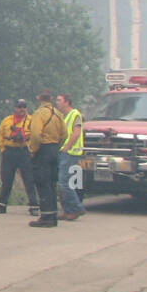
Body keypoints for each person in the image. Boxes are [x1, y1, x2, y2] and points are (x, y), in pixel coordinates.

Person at [0, 98, 40, 215]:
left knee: (29, 179)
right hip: (9, 152)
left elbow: (36, 136)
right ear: (15, 108)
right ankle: (1, 205)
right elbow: (0, 136)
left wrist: (32, 150)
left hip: (24, 152)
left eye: (24, 107)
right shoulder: (7, 121)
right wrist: (3, 149)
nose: (22, 109)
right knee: (6, 179)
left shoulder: (31, 120)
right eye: (19, 107)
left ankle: (34, 206)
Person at [27, 90, 66, 227]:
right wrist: (56, 145)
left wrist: (33, 150)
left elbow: (36, 135)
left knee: (42, 183)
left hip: (43, 150)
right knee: (51, 183)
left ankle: (46, 217)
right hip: (55, 150)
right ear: (51, 99)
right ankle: (53, 215)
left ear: (39, 99)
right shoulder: (58, 114)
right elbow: (65, 134)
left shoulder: (39, 114)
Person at [56, 93, 86, 221]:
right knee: (63, 182)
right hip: (64, 152)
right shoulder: (63, 116)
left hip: (71, 153)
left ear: (67, 102)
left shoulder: (75, 114)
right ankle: (68, 211)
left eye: (59, 100)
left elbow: (76, 133)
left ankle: (77, 208)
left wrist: (67, 147)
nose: (57, 102)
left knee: (65, 182)